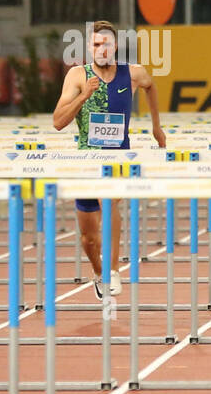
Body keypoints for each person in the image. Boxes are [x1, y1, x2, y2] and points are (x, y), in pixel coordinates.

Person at [52, 21, 166, 300]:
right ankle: (99, 270)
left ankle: (114, 270)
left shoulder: (133, 73)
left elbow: (151, 87)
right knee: (89, 238)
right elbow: (58, 122)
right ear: (89, 48)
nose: (102, 49)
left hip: (118, 156)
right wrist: (84, 96)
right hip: (86, 160)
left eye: (107, 44)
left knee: (109, 198)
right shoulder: (78, 76)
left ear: (115, 47)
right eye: (96, 45)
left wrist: (156, 126)